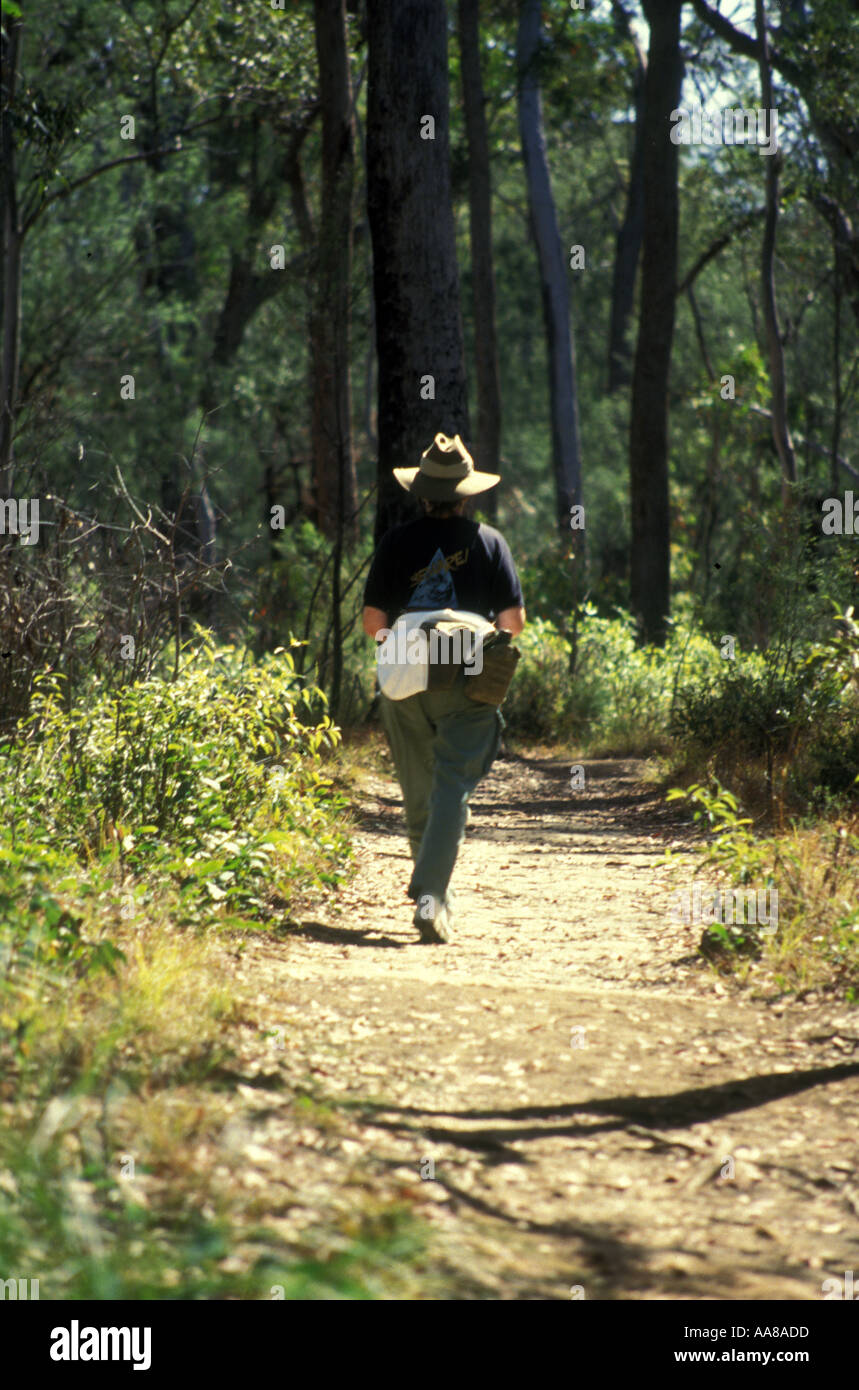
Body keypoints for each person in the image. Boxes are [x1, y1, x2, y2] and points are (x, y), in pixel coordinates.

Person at [362, 432, 526, 944]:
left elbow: (373, 622)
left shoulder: (394, 543)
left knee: (419, 795)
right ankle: (432, 896)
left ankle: (436, 901)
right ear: (466, 493)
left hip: (405, 674)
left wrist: (409, 639)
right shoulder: (489, 541)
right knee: (452, 786)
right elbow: (513, 623)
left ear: (422, 493)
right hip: (468, 673)